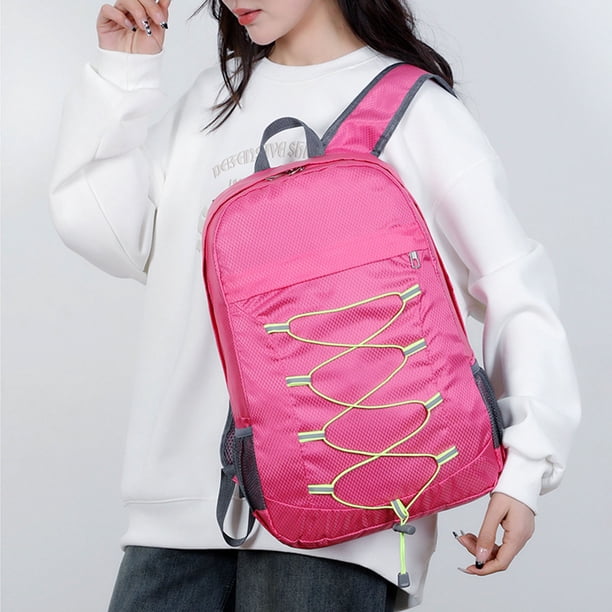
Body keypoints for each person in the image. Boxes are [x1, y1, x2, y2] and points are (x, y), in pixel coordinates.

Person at [49, 1, 580, 610]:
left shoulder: (415, 110)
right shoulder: (212, 101)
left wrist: (528, 464)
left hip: (347, 512)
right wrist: (123, 73)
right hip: (176, 511)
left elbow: (515, 287)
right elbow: (117, 237)